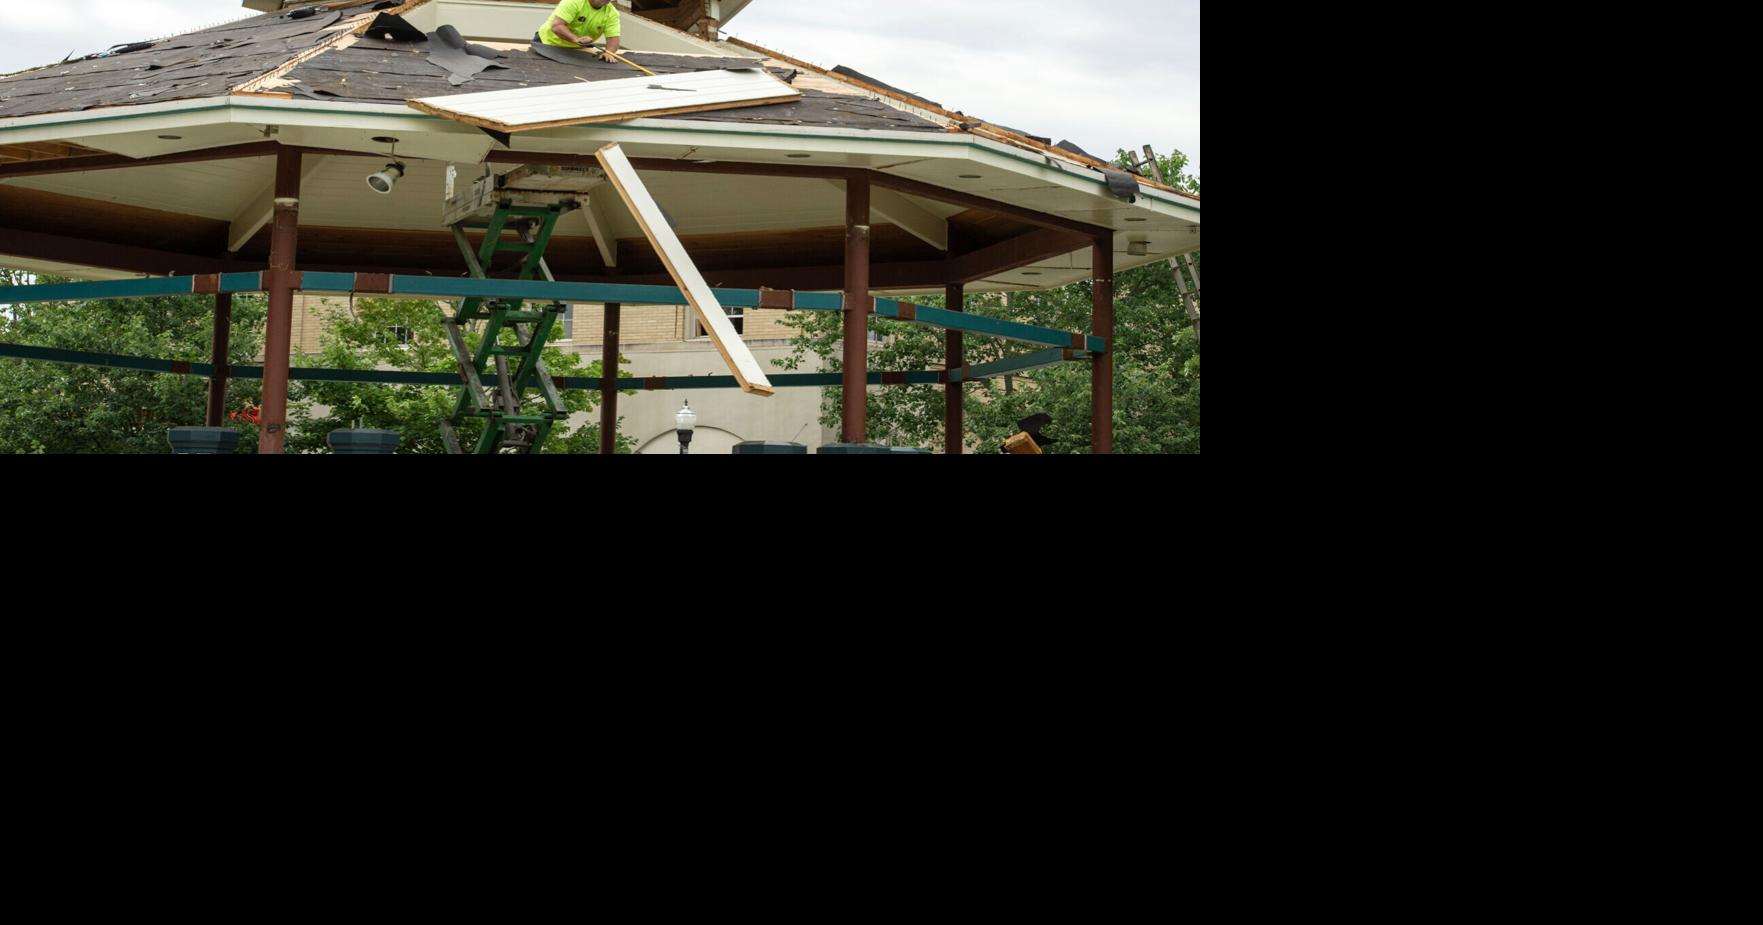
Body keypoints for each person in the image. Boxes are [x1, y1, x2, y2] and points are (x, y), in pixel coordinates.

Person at [539, 0, 622, 58]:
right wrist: (576, 39)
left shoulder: (612, 13)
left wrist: (609, 53)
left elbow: (613, 38)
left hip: (579, 50)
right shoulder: (574, 1)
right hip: (548, 44)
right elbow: (557, 26)